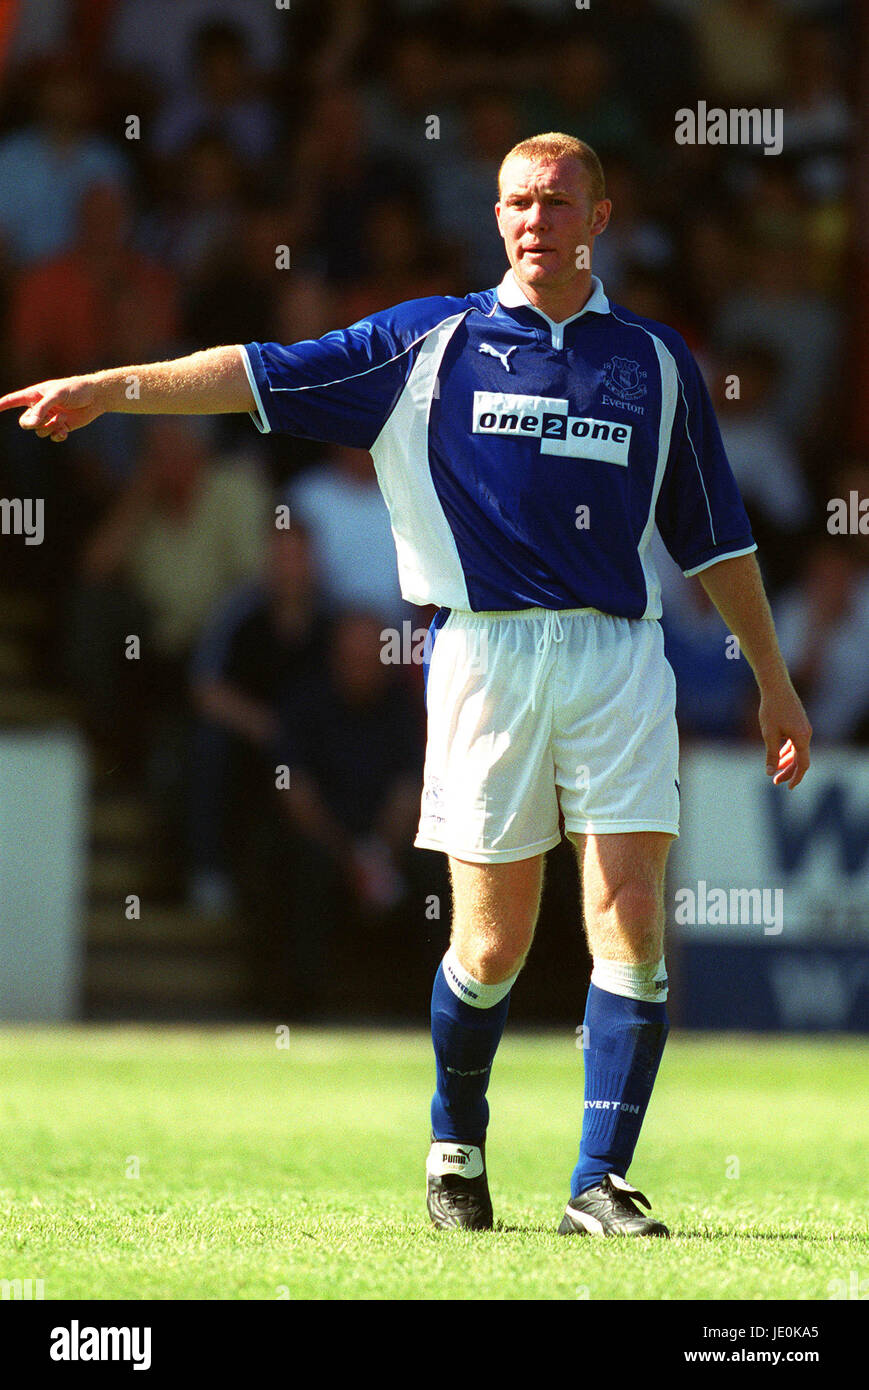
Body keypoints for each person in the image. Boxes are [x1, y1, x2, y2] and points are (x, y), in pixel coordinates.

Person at [0, 132, 812, 1239]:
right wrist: (113, 386)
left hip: (619, 657)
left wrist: (770, 679)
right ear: (495, 218)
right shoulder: (425, 343)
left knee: (628, 915)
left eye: (557, 202)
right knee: (490, 947)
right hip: (482, 656)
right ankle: (454, 1144)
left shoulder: (656, 364)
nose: (534, 219)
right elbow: (255, 373)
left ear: (601, 218)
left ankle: (598, 1182)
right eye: (515, 202)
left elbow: (716, 541)